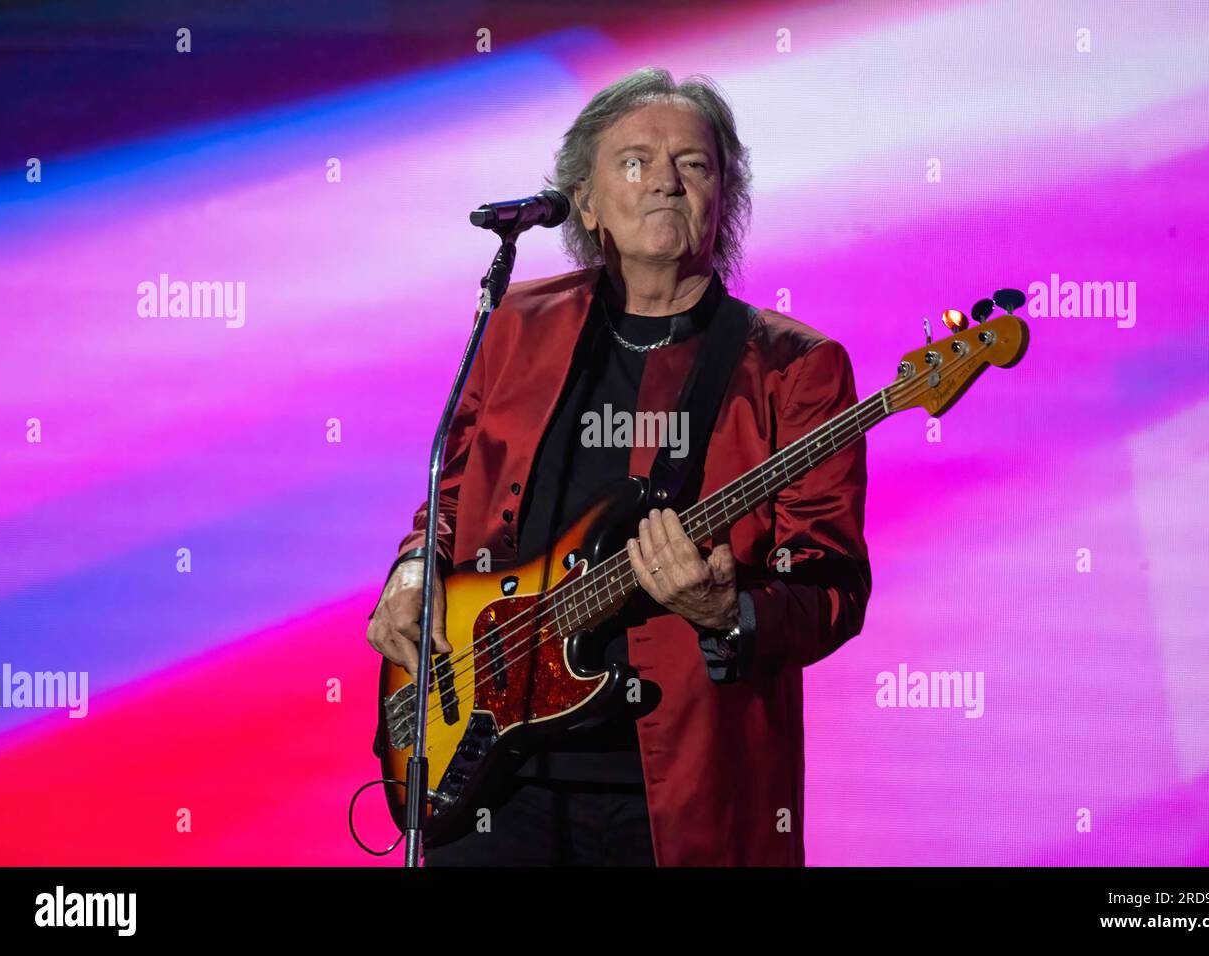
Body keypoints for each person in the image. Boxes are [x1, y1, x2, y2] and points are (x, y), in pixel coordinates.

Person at [366, 67, 871, 866]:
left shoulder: (792, 366)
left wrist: (722, 610)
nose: (665, 182)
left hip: (680, 790)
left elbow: (834, 586)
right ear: (587, 201)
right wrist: (409, 577)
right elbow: (448, 502)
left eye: (694, 165)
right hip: (490, 777)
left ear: (724, 197)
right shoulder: (515, 325)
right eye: (635, 161)